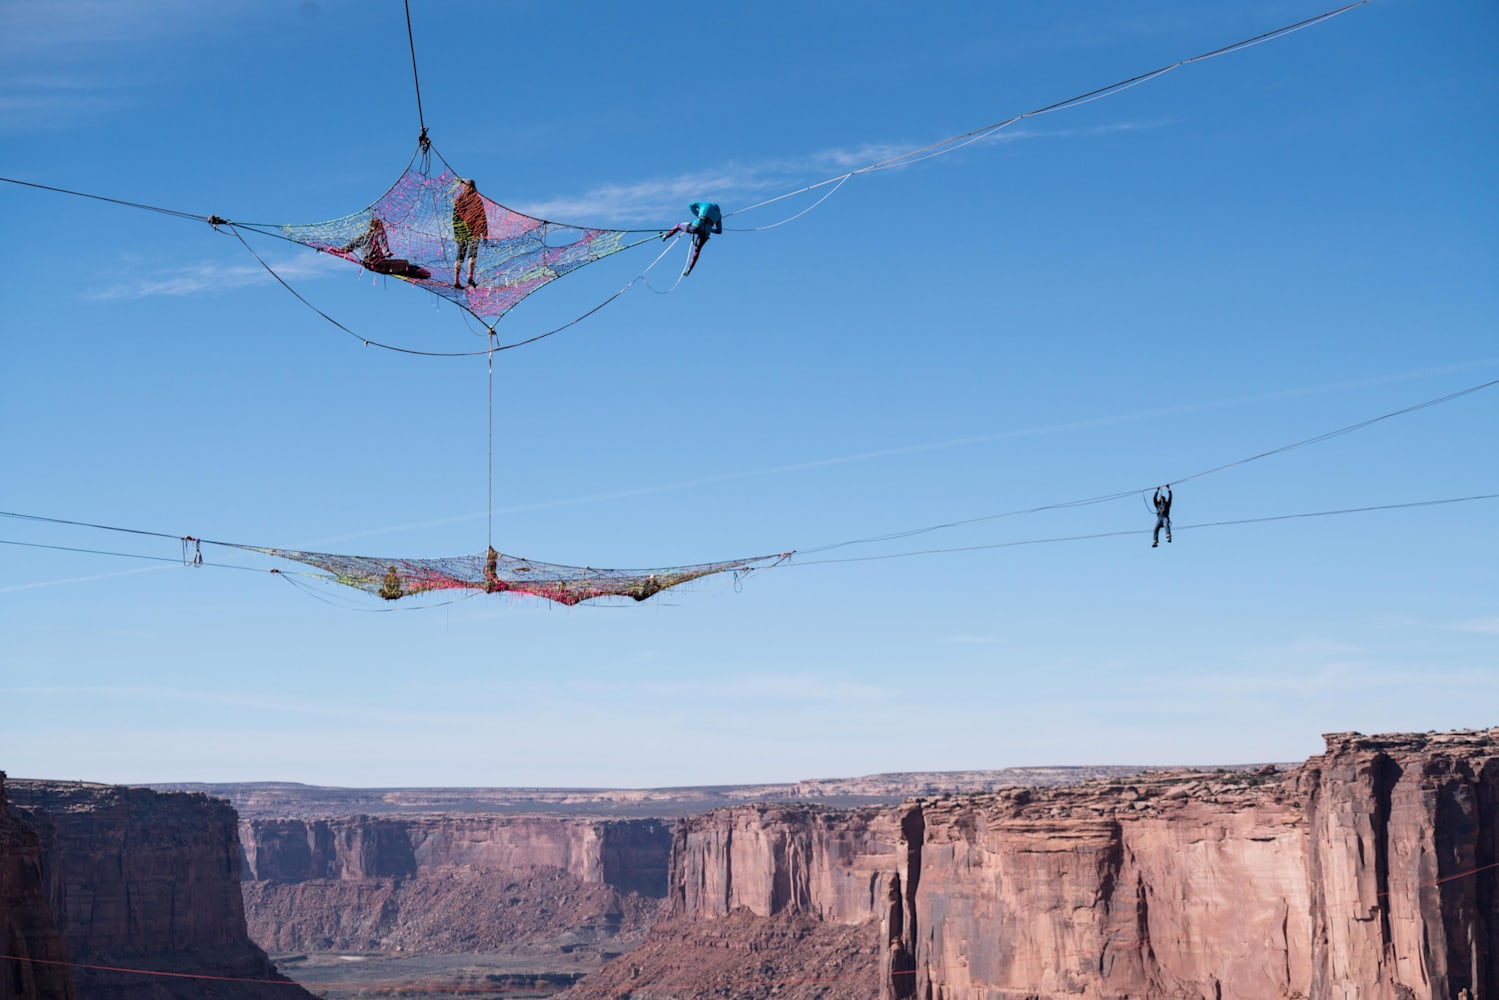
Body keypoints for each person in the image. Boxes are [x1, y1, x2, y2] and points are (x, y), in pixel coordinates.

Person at [661, 201, 723, 276]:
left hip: (696, 226)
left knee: (678, 225)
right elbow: (719, 231)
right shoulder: (719, 215)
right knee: (697, 251)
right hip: (706, 233)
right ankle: (689, 269)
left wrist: (698, 214)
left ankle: (666, 235)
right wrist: (711, 229)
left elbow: (691, 205)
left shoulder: (706, 204)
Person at [452, 178, 488, 287]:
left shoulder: (459, 200)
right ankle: (470, 278)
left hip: (462, 232)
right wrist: (485, 234)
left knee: (460, 256)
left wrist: (457, 232)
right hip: (474, 232)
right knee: (472, 255)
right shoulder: (477, 200)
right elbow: (483, 218)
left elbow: (455, 218)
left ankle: (457, 281)